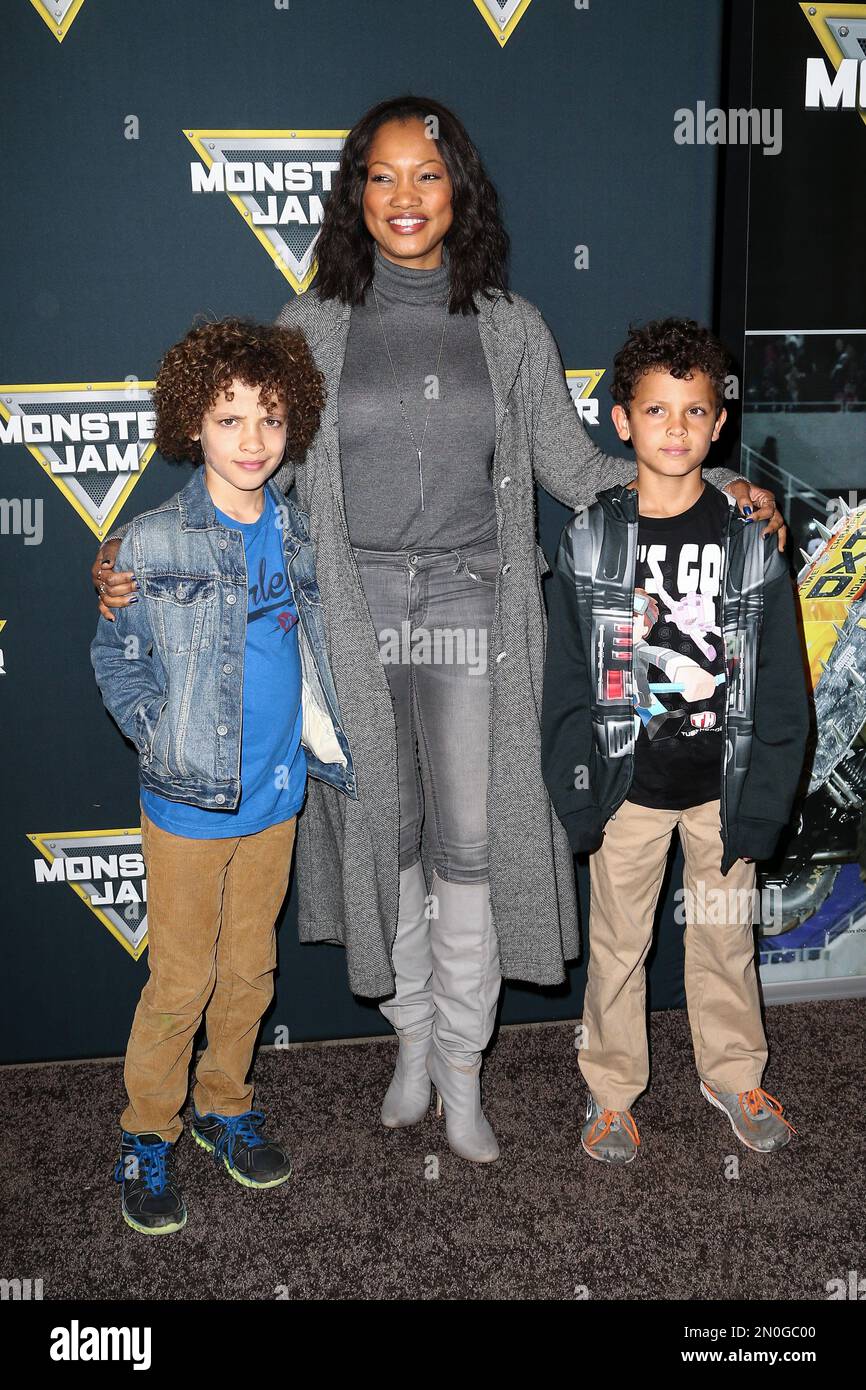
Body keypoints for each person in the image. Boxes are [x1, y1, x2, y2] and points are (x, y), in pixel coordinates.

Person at [90, 96, 784, 1165]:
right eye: (382, 176)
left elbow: (576, 466)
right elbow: (245, 477)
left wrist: (719, 487)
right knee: (391, 838)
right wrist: (137, 562)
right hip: (351, 612)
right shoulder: (309, 325)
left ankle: (462, 1067)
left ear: (457, 188)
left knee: (469, 847)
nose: (404, 197)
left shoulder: (509, 325)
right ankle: (410, 1040)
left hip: (473, 609)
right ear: (354, 194)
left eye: (426, 175)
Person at [91, 318, 355, 1233]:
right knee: (179, 982)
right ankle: (148, 1130)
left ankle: (225, 1105)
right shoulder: (148, 546)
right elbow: (117, 660)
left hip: (277, 800)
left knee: (249, 970)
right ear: (190, 426)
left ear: (294, 427)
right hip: (186, 805)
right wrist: (159, 737)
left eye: (271, 419)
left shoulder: (303, 530)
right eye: (229, 417)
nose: (252, 439)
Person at [540, 318, 809, 1163]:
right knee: (618, 950)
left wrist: (762, 804)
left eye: (694, 412)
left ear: (718, 422)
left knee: (727, 940)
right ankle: (611, 1091)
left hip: (721, 790)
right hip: (627, 792)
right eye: (656, 411)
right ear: (622, 421)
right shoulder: (589, 539)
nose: (676, 429)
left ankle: (734, 1074)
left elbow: (780, 685)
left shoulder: (749, 539)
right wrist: (582, 794)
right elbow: (568, 684)